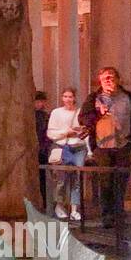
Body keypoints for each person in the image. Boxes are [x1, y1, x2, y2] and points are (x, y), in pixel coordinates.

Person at [80, 66, 131, 229]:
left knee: (121, 180)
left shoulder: (129, 97)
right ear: (100, 81)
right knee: (106, 181)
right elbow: (84, 118)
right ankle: (107, 215)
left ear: (118, 79)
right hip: (102, 146)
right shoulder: (94, 98)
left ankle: (119, 213)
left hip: (123, 145)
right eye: (105, 78)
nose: (109, 80)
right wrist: (98, 113)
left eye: (111, 77)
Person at [47, 87, 87, 221]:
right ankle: (59, 205)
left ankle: (75, 208)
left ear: (74, 98)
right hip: (62, 147)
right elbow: (51, 133)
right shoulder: (56, 113)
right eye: (65, 96)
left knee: (77, 179)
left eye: (70, 96)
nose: (68, 99)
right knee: (61, 179)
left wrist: (80, 134)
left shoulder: (80, 112)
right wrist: (66, 132)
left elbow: (86, 132)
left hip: (78, 147)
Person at [35, 91, 50, 207]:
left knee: (43, 177)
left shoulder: (45, 116)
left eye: (42, 101)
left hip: (43, 150)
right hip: (35, 148)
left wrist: (45, 146)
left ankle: (45, 201)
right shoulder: (30, 115)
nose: (40, 104)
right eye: (38, 101)